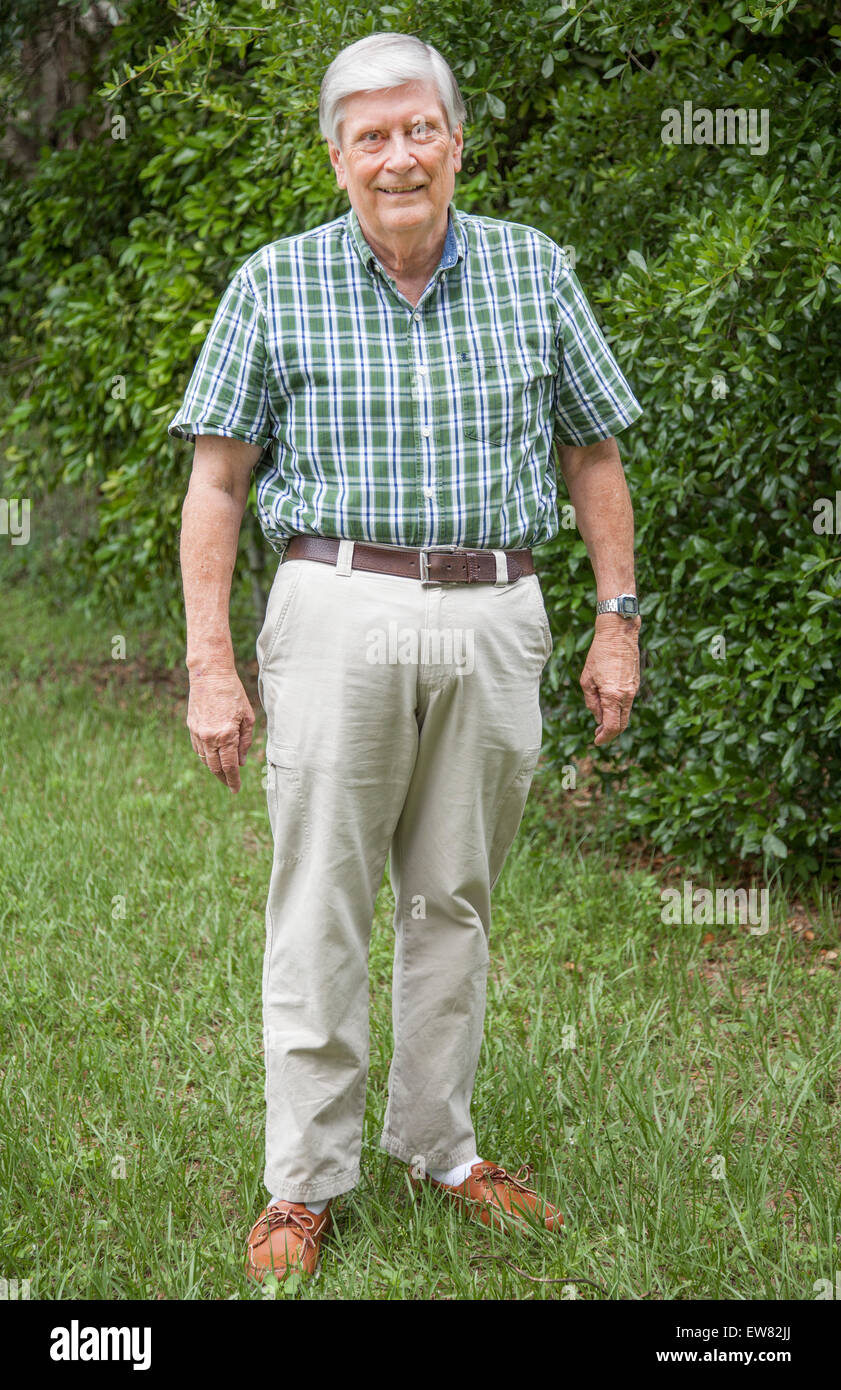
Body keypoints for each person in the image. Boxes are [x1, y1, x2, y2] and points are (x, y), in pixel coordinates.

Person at [169, 31, 643, 1284]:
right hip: (337, 605)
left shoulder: (534, 270)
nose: (397, 157)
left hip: (495, 611)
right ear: (336, 157)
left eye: (417, 129)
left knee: (454, 897)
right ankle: (303, 1180)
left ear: (456, 142)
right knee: (320, 897)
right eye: (369, 136)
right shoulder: (274, 283)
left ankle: (441, 1147)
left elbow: (593, 453)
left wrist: (617, 617)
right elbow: (216, 483)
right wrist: (210, 662)